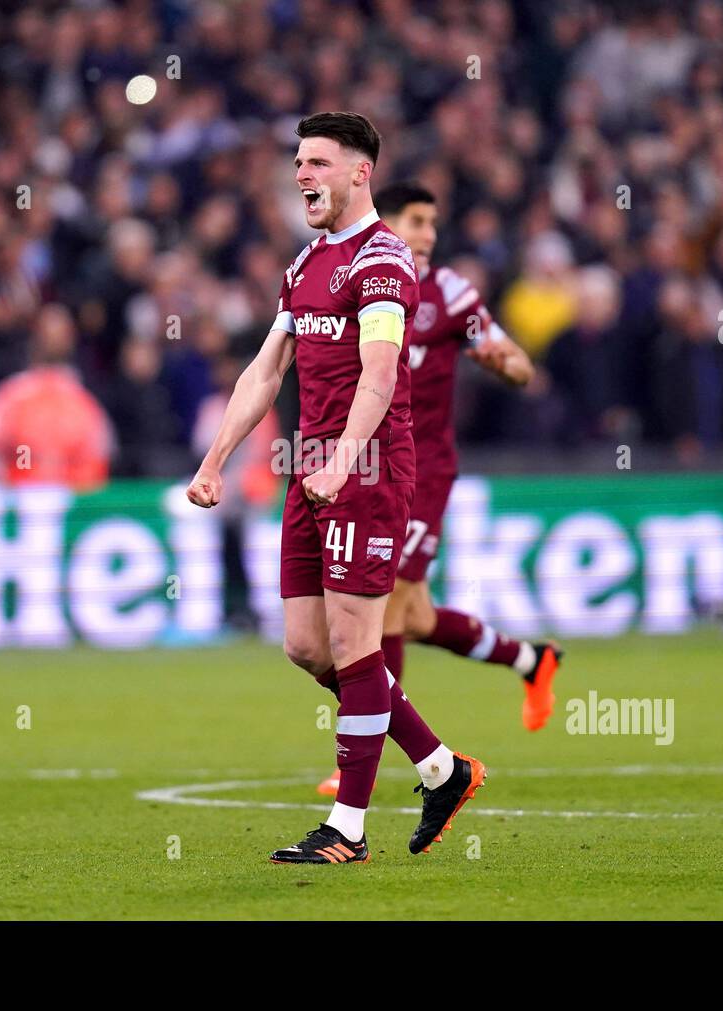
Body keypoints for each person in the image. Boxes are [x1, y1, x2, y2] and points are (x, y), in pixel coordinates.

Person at [187, 112, 485, 864]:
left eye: (318, 162)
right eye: (297, 162)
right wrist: (215, 458)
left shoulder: (384, 261)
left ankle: (347, 830)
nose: (301, 175)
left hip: (368, 470)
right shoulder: (306, 264)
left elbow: (382, 373)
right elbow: (264, 371)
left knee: (356, 641)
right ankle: (441, 768)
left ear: (360, 173)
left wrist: (344, 459)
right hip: (307, 467)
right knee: (306, 645)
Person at [315, 183, 562, 797]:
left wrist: (508, 363)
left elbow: (517, 361)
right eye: (416, 221)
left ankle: (368, 762)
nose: (428, 234)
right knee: (417, 616)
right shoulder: (353, 279)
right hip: (371, 469)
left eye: (432, 223)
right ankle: (533, 661)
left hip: (423, 474)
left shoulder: (450, 293)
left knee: (388, 605)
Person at [0, 303, 112, 492]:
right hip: (21, 500)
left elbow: (98, 454)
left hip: (71, 504)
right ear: (35, 335)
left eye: (60, 333)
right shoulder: (12, 395)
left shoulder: (85, 399)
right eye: (47, 332)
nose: (53, 339)